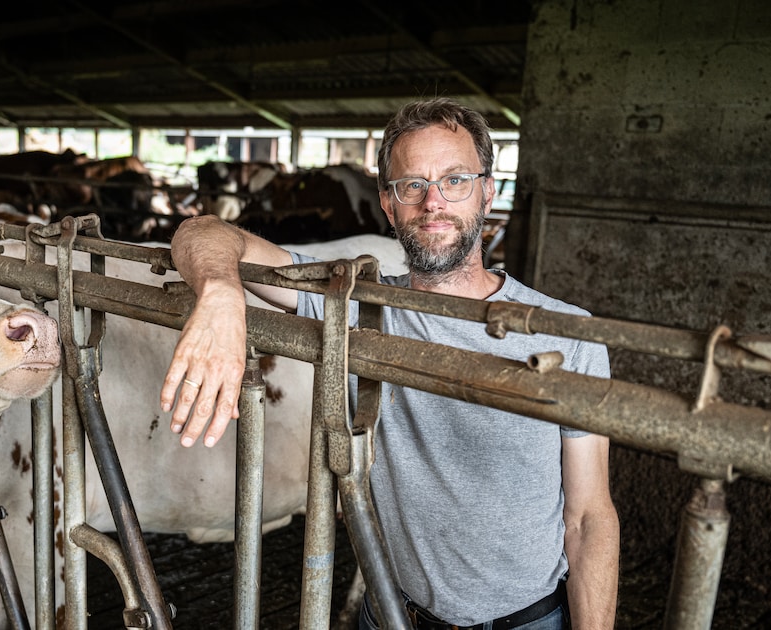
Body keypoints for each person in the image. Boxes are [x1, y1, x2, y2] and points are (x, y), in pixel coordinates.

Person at [158, 97, 619, 629]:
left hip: (524, 621)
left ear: (488, 191)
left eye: (455, 180)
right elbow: (200, 231)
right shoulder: (359, 305)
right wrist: (220, 295)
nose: (433, 202)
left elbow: (588, 518)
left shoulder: (568, 334)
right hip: (391, 613)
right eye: (411, 185)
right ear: (387, 203)